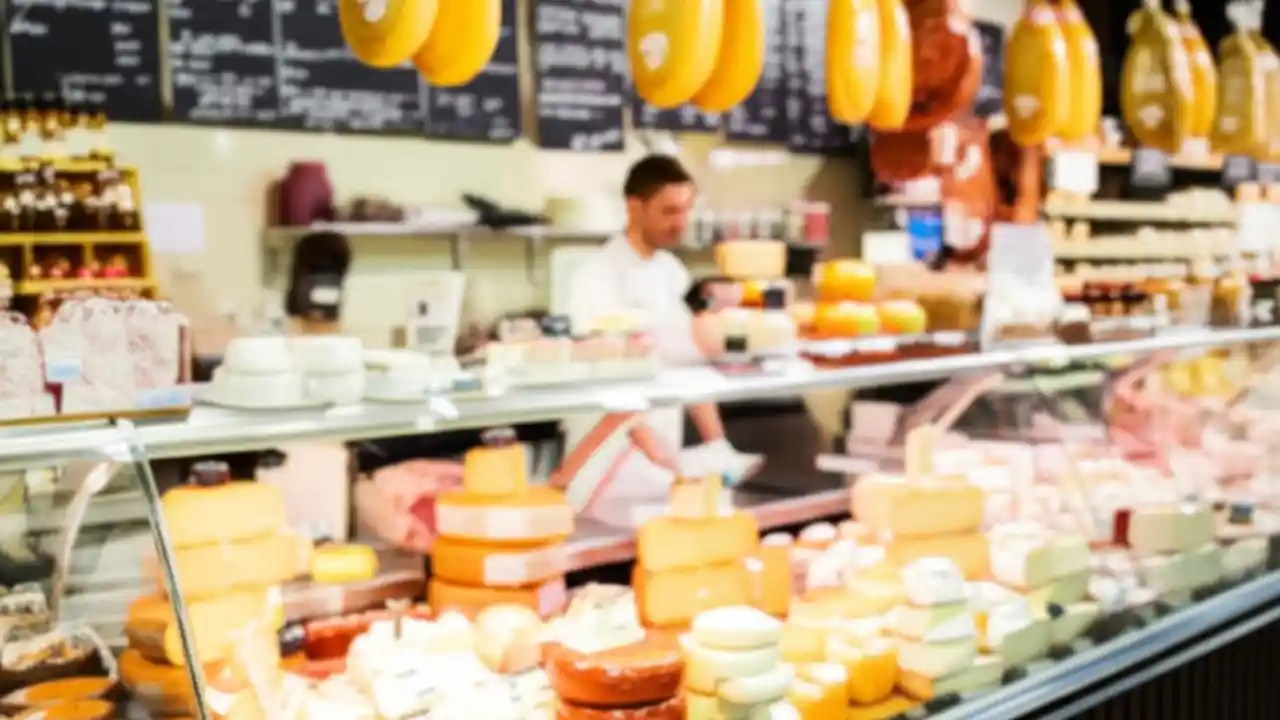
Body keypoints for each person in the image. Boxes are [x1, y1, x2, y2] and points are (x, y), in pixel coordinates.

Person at [561, 156, 761, 523]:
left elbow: (690, 364)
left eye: (685, 210)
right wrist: (665, 460)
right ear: (634, 207)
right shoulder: (595, 277)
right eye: (669, 211)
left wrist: (719, 445)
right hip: (607, 462)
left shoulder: (671, 271)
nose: (680, 223)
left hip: (659, 459)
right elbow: (608, 376)